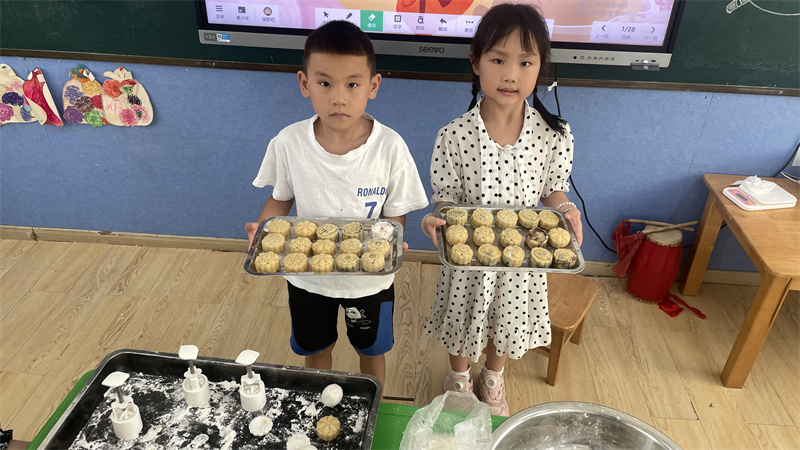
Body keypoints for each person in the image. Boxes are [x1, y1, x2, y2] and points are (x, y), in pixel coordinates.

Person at [246, 20, 429, 389]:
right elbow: (280, 199)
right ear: (304, 84)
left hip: (369, 283)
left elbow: (395, 213)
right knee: (315, 349)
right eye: (325, 83)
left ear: (372, 86)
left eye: (352, 84)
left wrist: (391, 240)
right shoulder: (289, 142)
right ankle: (317, 398)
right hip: (308, 279)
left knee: (371, 350)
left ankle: (372, 400)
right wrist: (262, 230)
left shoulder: (390, 147)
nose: (339, 97)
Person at [421, 3, 584, 416]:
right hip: (469, 262)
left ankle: (493, 375)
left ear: (539, 67)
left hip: (521, 262)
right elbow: (447, 195)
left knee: (505, 322)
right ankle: (459, 377)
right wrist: (440, 216)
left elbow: (553, 190)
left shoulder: (554, 135)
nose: (511, 74)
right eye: (498, 59)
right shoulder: (454, 135)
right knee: (463, 318)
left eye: (525, 62)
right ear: (476, 62)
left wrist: (567, 209)